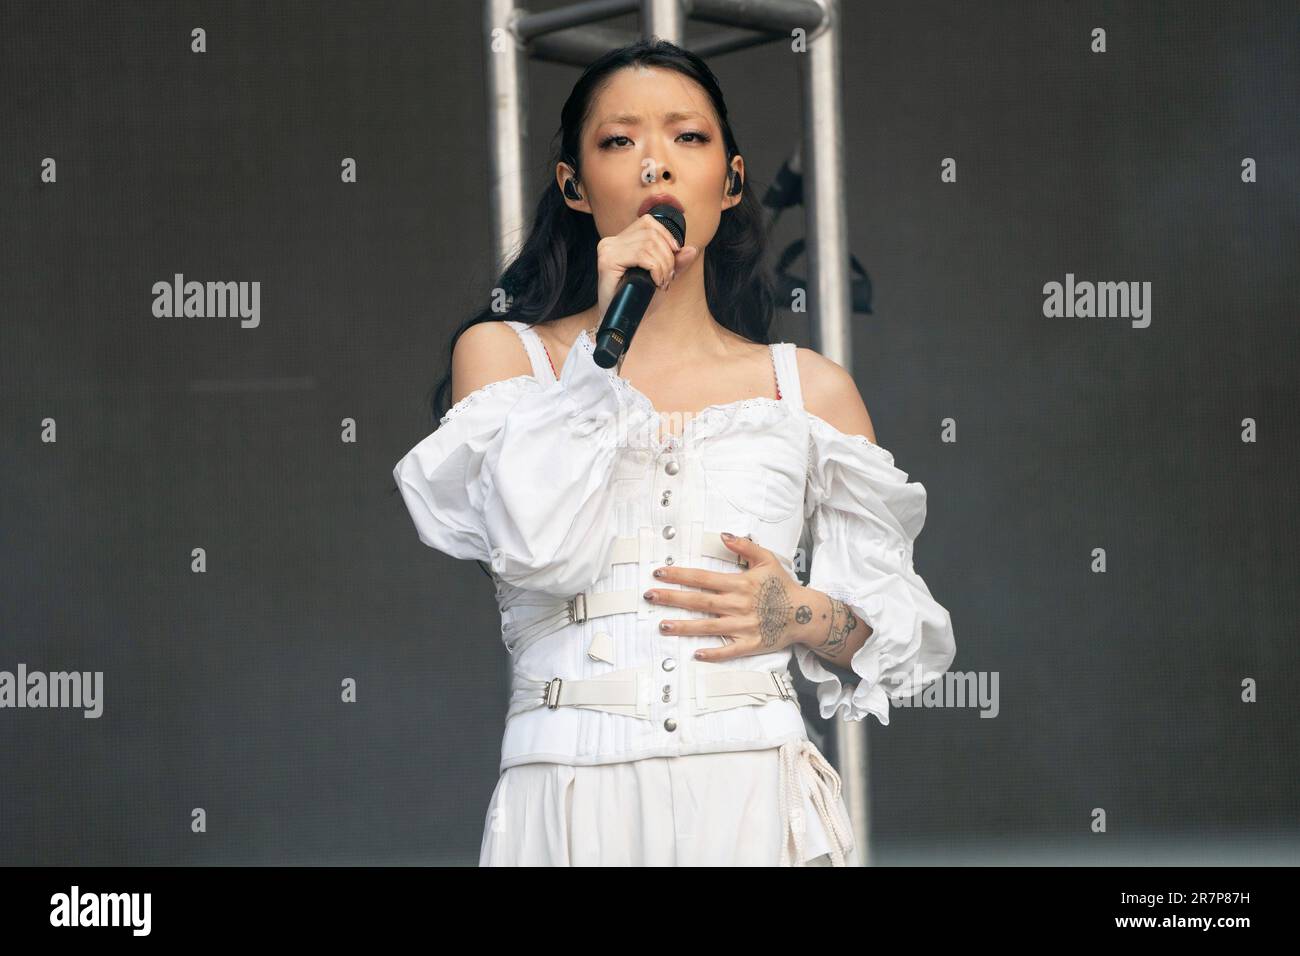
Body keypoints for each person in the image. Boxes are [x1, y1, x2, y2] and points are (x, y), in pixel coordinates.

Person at [393, 39, 956, 866]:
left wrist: (799, 614)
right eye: (619, 141)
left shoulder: (805, 387)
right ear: (574, 188)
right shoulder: (509, 358)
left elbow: (898, 636)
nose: (656, 164)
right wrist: (600, 354)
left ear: (729, 180)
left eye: (687, 138)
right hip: (570, 786)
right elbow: (537, 549)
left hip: (752, 788)